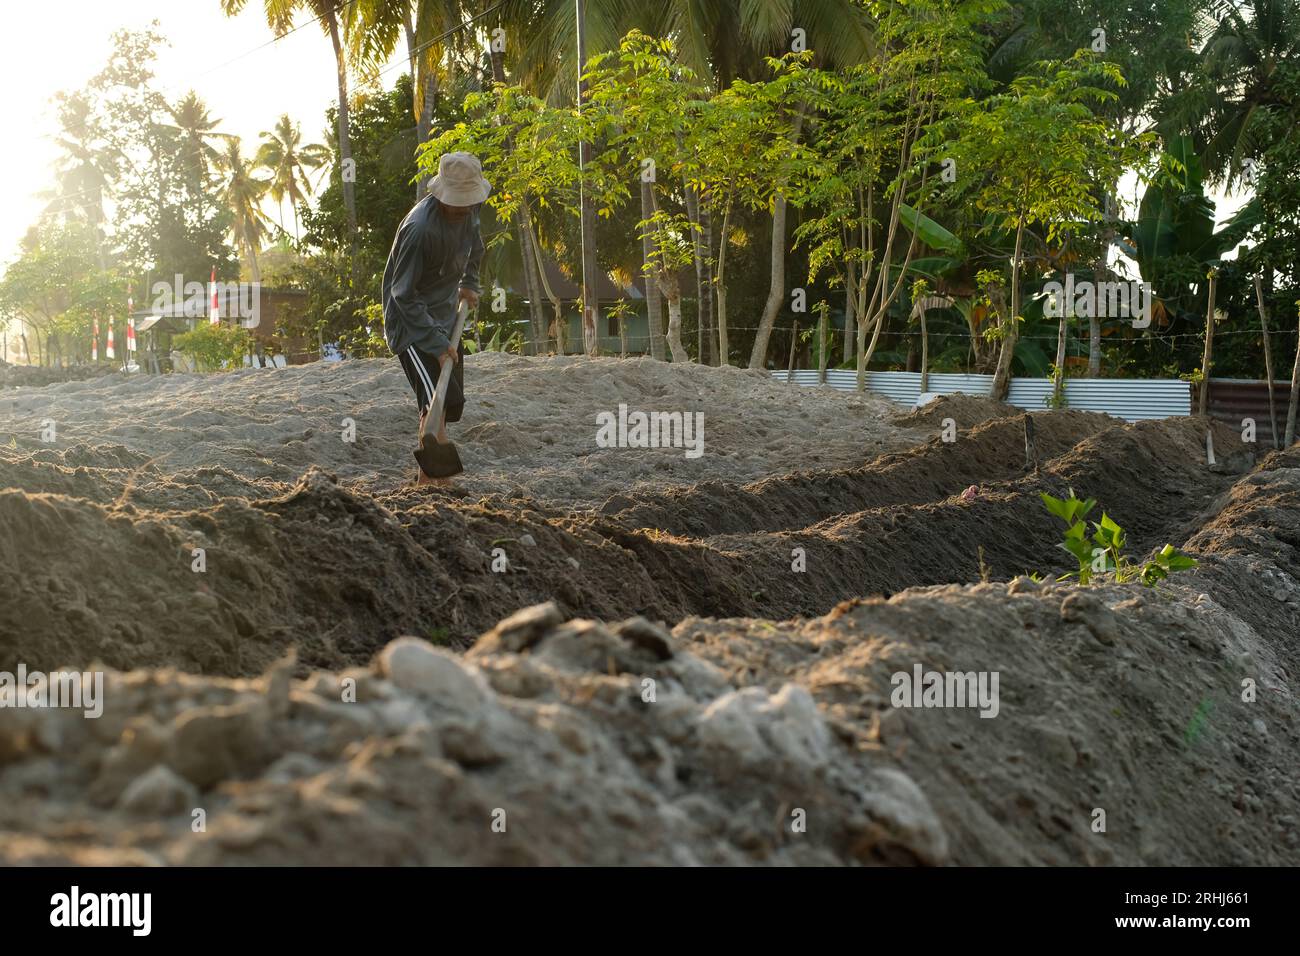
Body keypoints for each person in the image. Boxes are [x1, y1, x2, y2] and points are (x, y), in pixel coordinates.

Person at [382, 151, 490, 483]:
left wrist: (469, 282)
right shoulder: (419, 230)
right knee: (433, 404)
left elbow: (478, 246)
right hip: (411, 326)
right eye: (456, 202)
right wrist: (437, 343)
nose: (462, 207)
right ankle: (432, 484)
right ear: (441, 194)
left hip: (443, 316)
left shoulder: (470, 210)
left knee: (447, 400)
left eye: (467, 202)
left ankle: (430, 480)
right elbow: (403, 295)